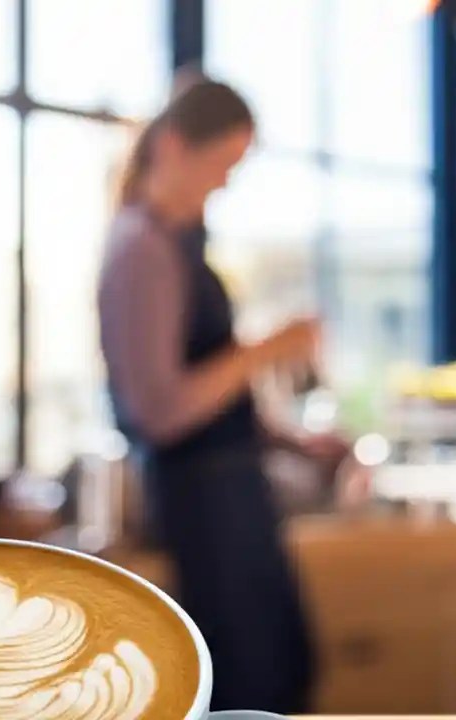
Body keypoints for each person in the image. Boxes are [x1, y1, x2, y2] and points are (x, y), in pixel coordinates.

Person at [97, 75, 360, 713]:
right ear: (177, 147)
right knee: (248, 688)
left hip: (237, 503)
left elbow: (212, 395)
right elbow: (159, 411)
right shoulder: (141, 248)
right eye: (223, 165)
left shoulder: (178, 247)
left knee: (286, 675)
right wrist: (266, 350)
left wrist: (294, 441)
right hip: (204, 512)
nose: (224, 183)